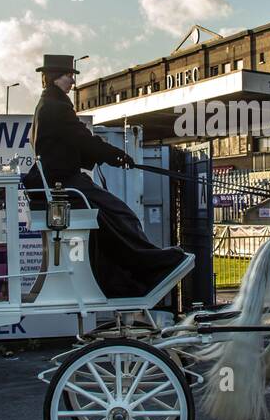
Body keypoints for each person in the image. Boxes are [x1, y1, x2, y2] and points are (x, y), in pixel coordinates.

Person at [24, 54, 186, 298]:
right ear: (56, 77)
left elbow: (74, 142)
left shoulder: (47, 105)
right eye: (69, 76)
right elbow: (82, 139)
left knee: (112, 220)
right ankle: (149, 266)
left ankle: (131, 273)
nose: (72, 82)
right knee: (121, 214)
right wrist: (116, 155)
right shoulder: (56, 107)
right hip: (66, 182)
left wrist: (109, 155)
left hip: (64, 180)